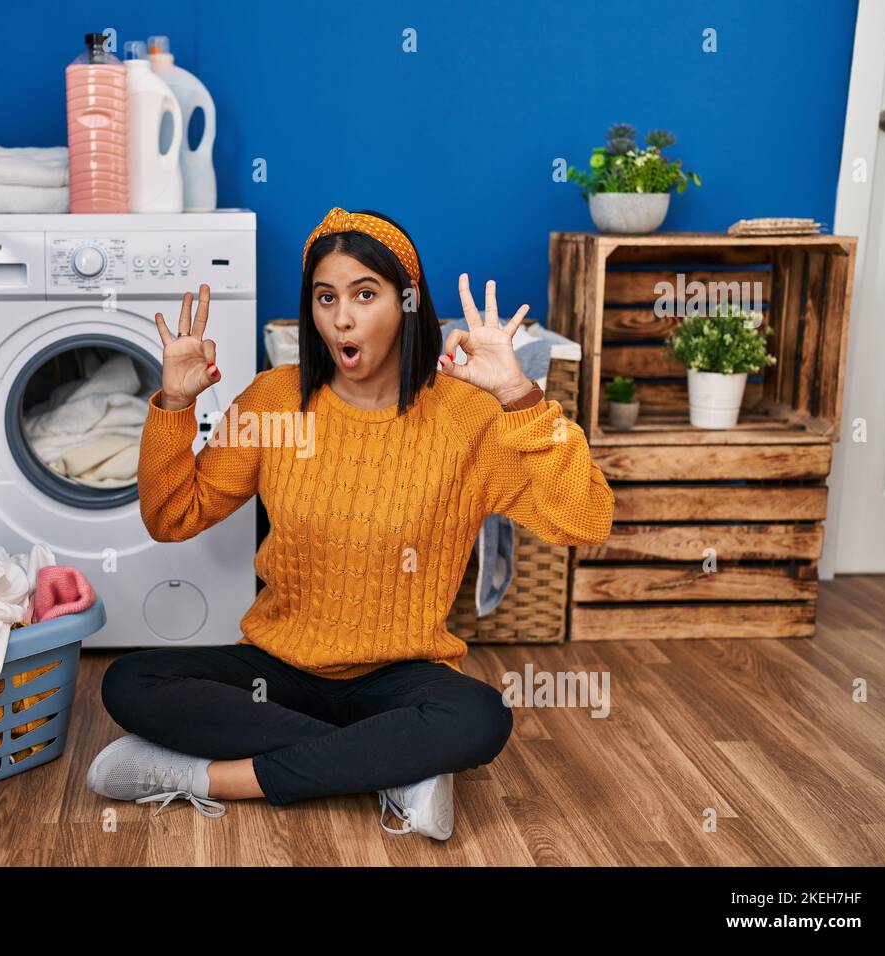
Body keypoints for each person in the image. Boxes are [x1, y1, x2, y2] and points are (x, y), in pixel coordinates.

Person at [87, 206, 615, 839]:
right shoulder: (275, 402)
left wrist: (520, 399)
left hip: (401, 676)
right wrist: (174, 404)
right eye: (325, 297)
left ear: (408, 302)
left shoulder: (467, 416)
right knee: (130, 681)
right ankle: (395, 764)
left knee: (480, 717)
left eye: (366, 294)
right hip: (279, 672)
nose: (342, 317)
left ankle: (205, 778)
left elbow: (586, 519)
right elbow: (171, 516)